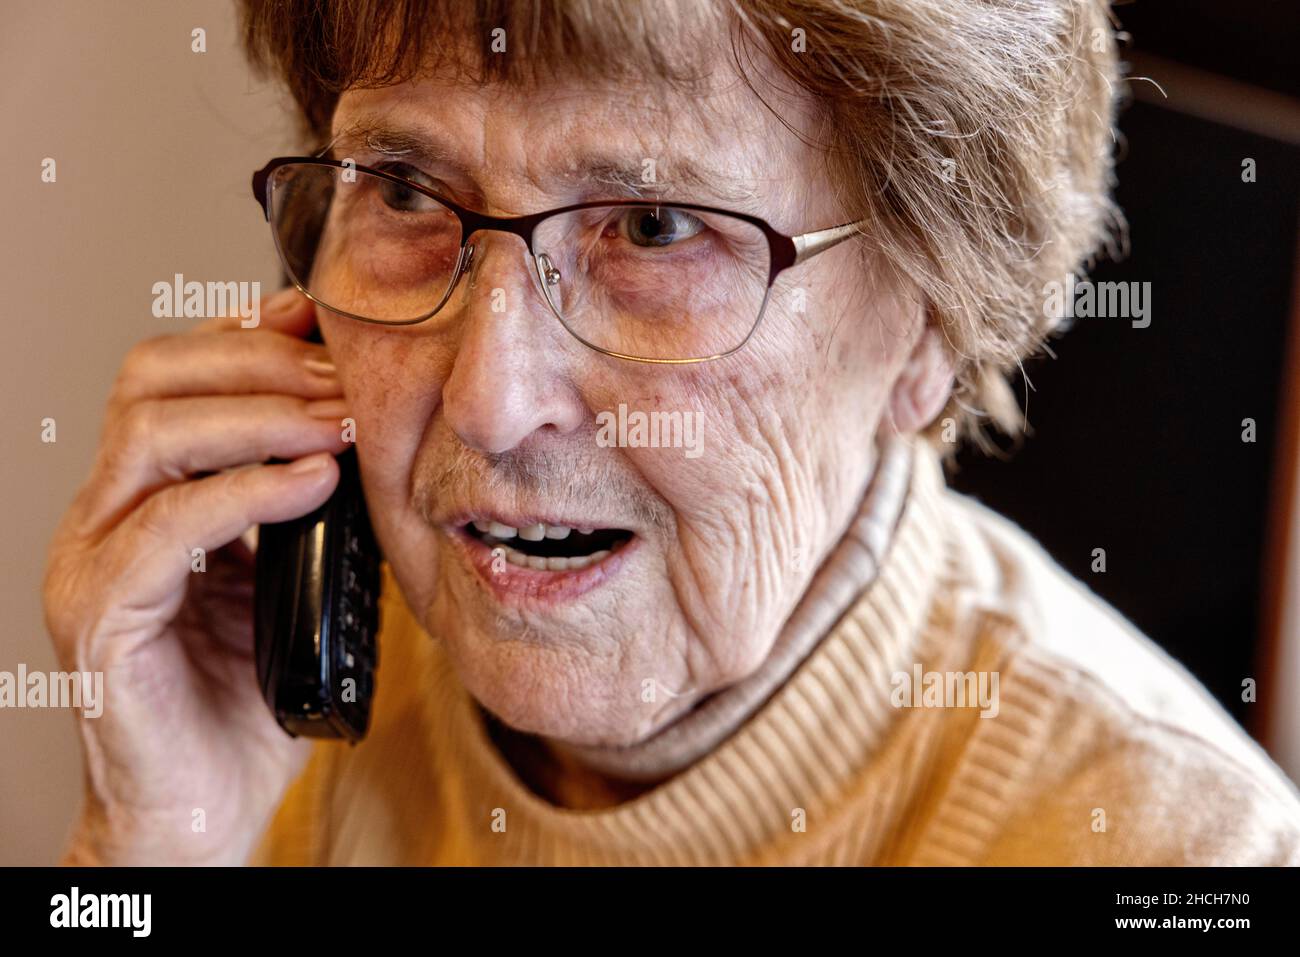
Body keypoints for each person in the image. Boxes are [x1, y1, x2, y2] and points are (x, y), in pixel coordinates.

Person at [46, 0, 1300, 866]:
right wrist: (149, 856)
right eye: (410, 192)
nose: (488, 398)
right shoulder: (282, 677)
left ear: (928, 329)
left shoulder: (1170, 852)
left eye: (652, 228)